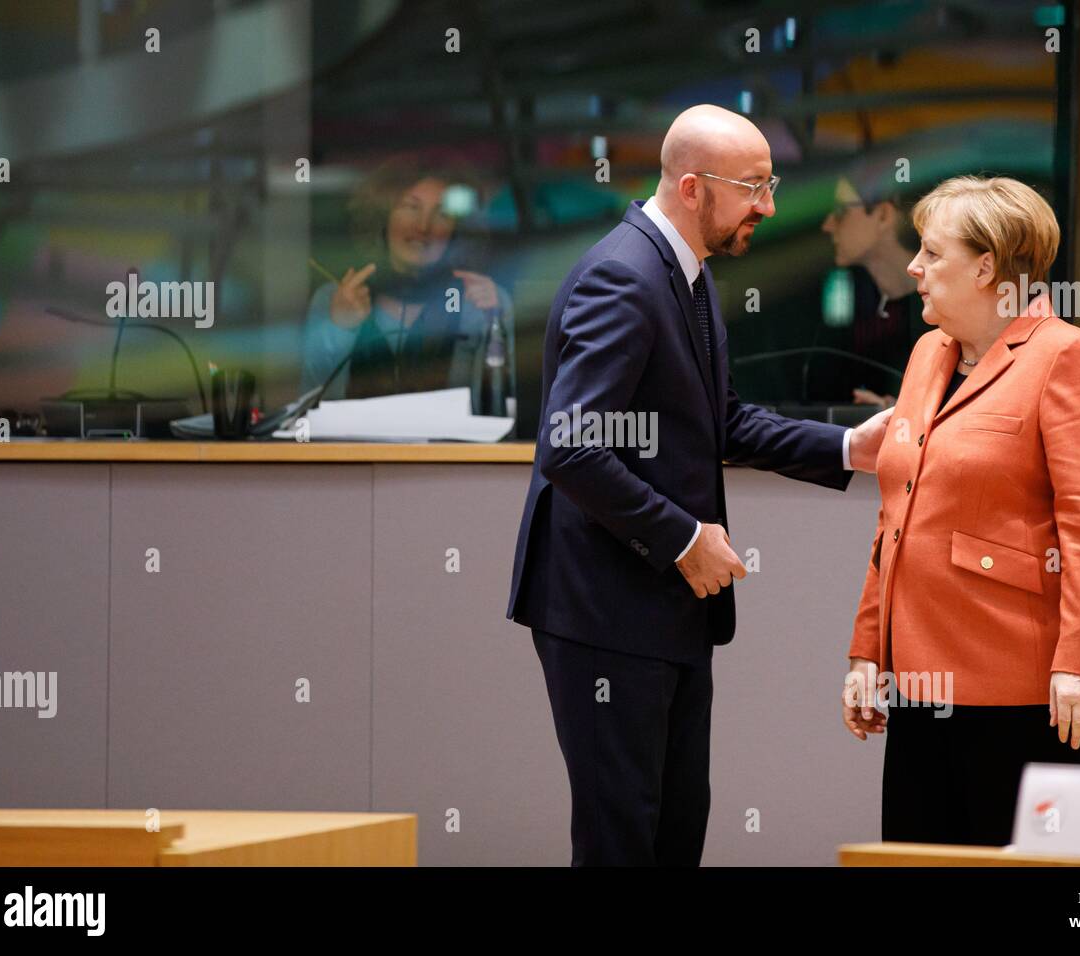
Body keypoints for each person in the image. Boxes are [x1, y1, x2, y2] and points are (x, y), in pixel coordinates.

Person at [508, 104, 893, 866]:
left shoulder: (684, 272)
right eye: (754, 187)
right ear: (692, 187)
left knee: (675, 833)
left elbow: (720, 423)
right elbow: (571, 446)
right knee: (625, 842)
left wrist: (852, 446)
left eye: (771, 183)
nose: (770, 206)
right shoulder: (624, 277)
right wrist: (684, 539)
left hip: (659, 609)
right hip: (606, 611)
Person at [840, 175, 1080, 847]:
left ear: (987, 267)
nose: (913, 267)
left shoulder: (1068, 357)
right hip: (924, 680)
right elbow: (896, 519)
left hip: (1032, 687)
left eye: (931, 253)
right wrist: (867, 651)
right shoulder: (928, 354)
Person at [300, 163, 514, 415]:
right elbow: (306, 411)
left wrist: (492, 322)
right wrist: (339, 330)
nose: (423, 227)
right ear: (382, 219)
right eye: (411, 208)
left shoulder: (476, 300)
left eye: (442, 213)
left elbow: (501, 415)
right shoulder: (335, 298)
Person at [820, 175, 922, 409]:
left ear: (884, 216)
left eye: (840, 212)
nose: (827, 224)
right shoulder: (856, 301)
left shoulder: (941, 313)